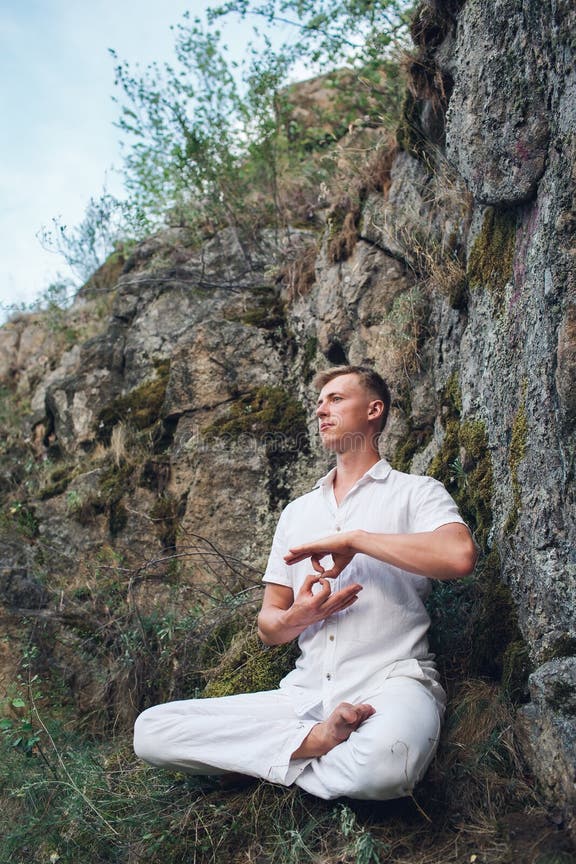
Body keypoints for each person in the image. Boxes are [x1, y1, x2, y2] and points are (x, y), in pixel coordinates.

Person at [134, 365, 477, 801]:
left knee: (390, 765)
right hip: (303, 696)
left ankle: (267, 761)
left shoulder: (415, 492)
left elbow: (459, 555)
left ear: (374, 410)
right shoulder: (296, 514)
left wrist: (358, 540)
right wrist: (299, 615)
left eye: (335, 399)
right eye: (319, 402)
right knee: (151, 731)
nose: (321, 409)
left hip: (392, 684)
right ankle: (314, 743)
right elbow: (269, 627)